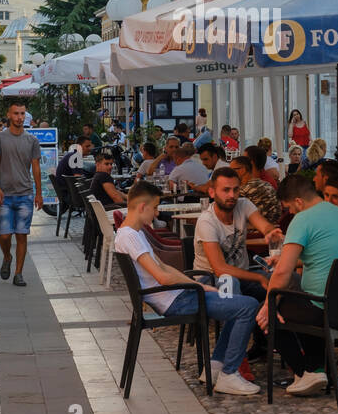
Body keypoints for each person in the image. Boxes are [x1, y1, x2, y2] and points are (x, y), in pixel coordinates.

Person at [115, 181, 261, 395]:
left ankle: (216, 365)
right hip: (175, 301)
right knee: (248, 306)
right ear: (142, 207)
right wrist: (197, 288)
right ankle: (229, 374)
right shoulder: (130, 236)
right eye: (155, 207)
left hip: (179, 296)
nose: (156, 214)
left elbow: (164, 267)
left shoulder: (131, 233)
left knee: (232, 292)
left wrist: (199, 286)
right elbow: (162, 277)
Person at [256, 174, 338, 396]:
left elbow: (283, 273)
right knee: (301, 297)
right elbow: (326, 255)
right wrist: (290, 259)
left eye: (290, 208)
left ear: (298, 201)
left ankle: (304, 372)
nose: (291, 214)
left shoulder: (302, 219)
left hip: (324, 309)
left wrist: (267, 306)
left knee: (270, 315)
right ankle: (315, 368)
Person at [193, 167, 280, 317]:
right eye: (226, 190)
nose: (232, 195)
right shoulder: (207, 221)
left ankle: (268, 334)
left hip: (243, 274)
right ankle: (233, 333)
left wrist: (270, 232)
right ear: (212, 192)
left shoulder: (243, 204)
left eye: (235, 190)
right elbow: (220, 269)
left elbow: (263, 225)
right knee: (231, 281)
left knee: (281, 280)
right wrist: (259, 278)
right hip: (210, 280)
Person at [0, 100, 43, 286]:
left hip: (25, 193)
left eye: (22, 114)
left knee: (22, 234)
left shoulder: (32, 140)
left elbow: (36, 167)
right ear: (9, 114)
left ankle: (18, 273)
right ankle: (7, 256)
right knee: (5, 235)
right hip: (4, 194)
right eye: (16, 113)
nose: (19, 117)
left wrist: (39, 192)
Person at [230, 154, 282, 226]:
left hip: (256, 232)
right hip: (272, 228)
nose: (229, 173)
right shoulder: (266, 184)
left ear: (243, 170)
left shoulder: (243, 190)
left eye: (231, 170)